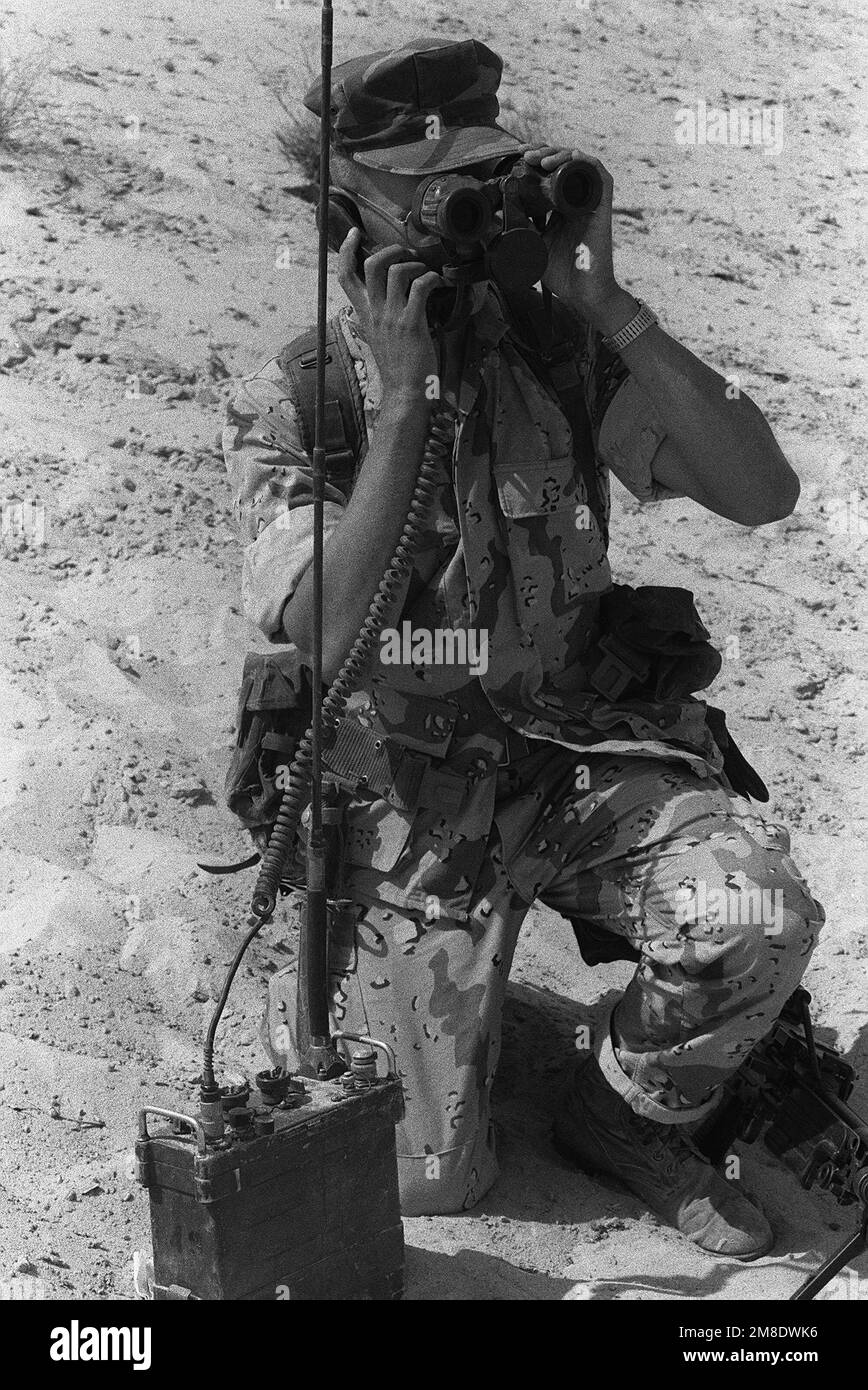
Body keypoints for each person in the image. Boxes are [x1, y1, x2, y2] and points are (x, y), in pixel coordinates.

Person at [223, 36, 823, 1259]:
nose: (466, 222)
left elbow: (760, 492)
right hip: (400, 796)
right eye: (430, 194)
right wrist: (401, 407)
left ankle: (627, 1109)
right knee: (425, 1178)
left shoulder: (559, 346)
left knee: (750, 906)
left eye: (485, 184)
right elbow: (322, 629)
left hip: (566, 761)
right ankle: (434, 994)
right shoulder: (303, 396)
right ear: (345, 210)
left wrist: (613, 306)